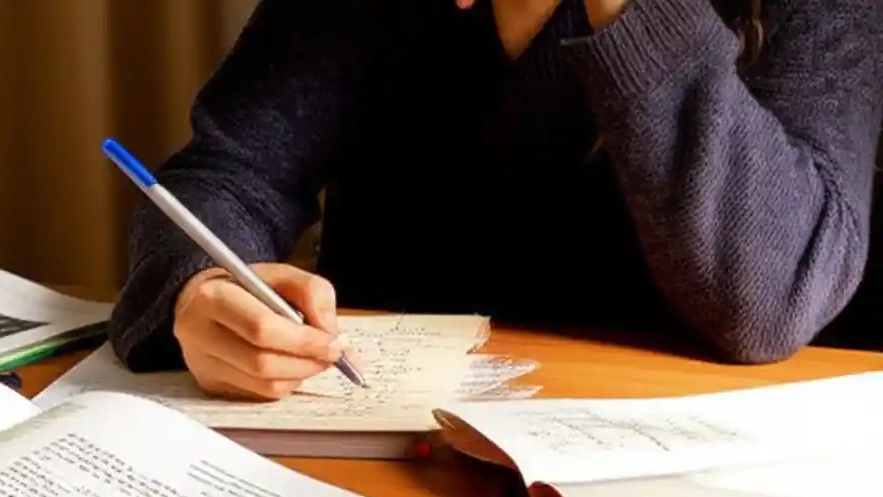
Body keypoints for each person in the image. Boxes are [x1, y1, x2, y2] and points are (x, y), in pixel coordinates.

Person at [108, 0, 883, 401]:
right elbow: (227, 172)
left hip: (693, 482)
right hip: (390, 453)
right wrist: (203, 287)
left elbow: (775, 294)